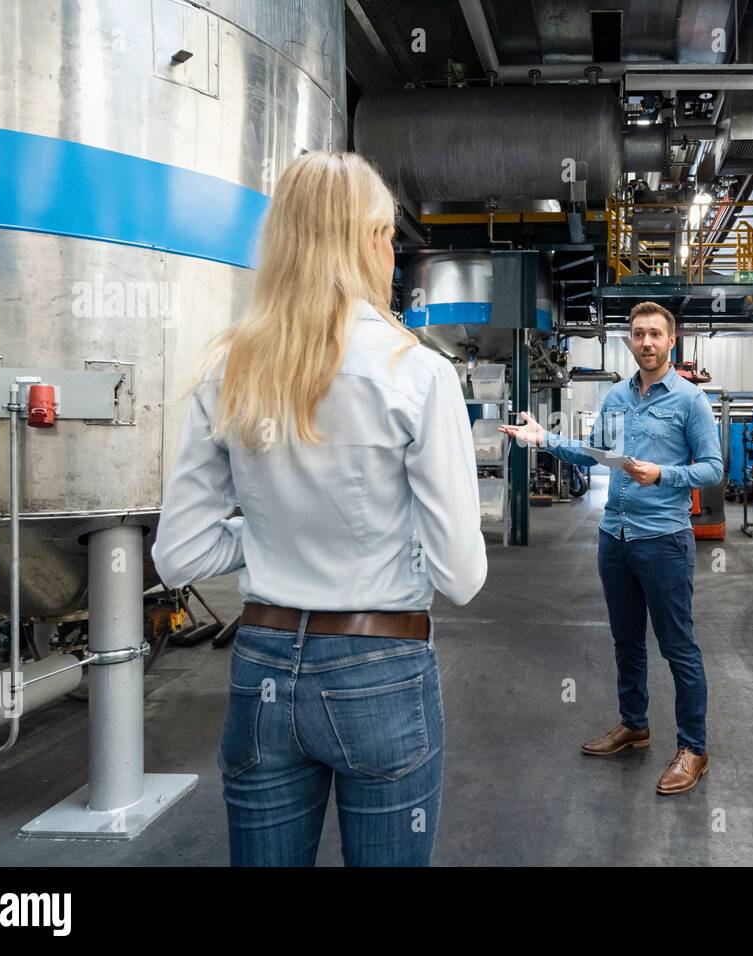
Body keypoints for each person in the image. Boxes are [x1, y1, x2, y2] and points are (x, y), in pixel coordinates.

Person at [152, 151, 486, 866]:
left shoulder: (226, 368)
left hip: (262, 665)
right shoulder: (416, 372)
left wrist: (268, 535)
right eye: (387, 234)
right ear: (364, 239)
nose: (392, 250)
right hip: (381, 666)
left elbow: (178, 554)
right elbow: (461, 576)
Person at [500, 301, 722, 795]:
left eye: (655, 335)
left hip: (663, 541)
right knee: (626, 641)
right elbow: (597, 453)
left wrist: (665, 473)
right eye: (639, 334)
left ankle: (694, 748)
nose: (646, 342)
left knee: (678, 647)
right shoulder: (617, 396)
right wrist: (544, 438)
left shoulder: (690, 401)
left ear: (671, 341)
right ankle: (634, 725)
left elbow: (713, 468)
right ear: (629, 340)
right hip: (614, 538)